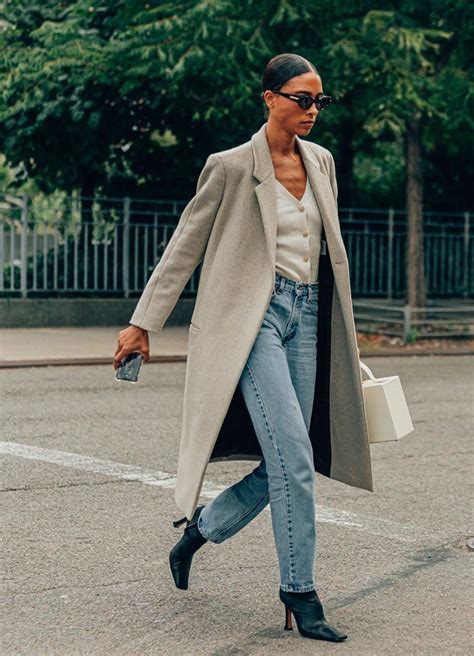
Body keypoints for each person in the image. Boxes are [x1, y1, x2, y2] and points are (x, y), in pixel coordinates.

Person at [114, 53, 367, 643]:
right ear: (270, 98)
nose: (311, 111)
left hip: (306, 315)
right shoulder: (229, 167)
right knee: (296, 463)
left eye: (319, 101)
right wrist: (142, 321)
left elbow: (327, 255)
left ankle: (201, 530)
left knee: (289, 460)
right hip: (251, 322)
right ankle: (299, 595)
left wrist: (342, 335)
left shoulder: (322, 162)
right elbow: (185, 246)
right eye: (302, 99)